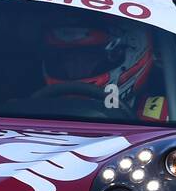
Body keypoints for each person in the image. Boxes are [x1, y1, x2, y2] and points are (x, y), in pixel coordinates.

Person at [40, 23, 168, 121]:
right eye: (66, 58)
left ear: (132, 54)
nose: (74, 68)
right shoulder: (34, 111)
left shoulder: (163, 117)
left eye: (89, 56)